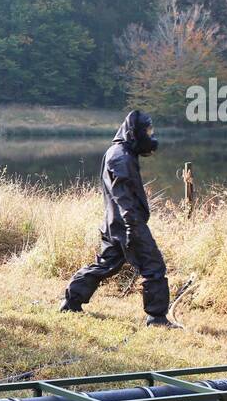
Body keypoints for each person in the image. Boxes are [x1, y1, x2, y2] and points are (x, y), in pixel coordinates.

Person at [60, 110, 171, 326]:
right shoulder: (120, 157)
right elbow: (123, 196)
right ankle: (157, 317)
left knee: (106, 264)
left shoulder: (120, 152)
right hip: (128, 224)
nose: (150, 135)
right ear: (135, 131)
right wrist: (132, 229)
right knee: (154, 266)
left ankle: (72, 301)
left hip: (115, 224)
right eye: (147, 131)